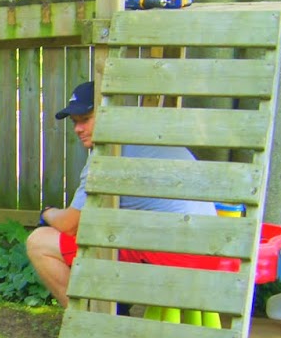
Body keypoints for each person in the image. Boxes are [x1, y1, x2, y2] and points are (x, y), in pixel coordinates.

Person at [26, 80, 218, 312]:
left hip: (178, 261)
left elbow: (70, 226)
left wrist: (47, 213)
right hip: (209, 252)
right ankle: (115, 313)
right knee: (111, 238)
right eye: (75, 123)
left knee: (39, 242)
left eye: (85, 120)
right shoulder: (150, 138)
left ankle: (89, 326)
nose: (78, 129)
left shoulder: (109, 154)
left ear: (109, 115)